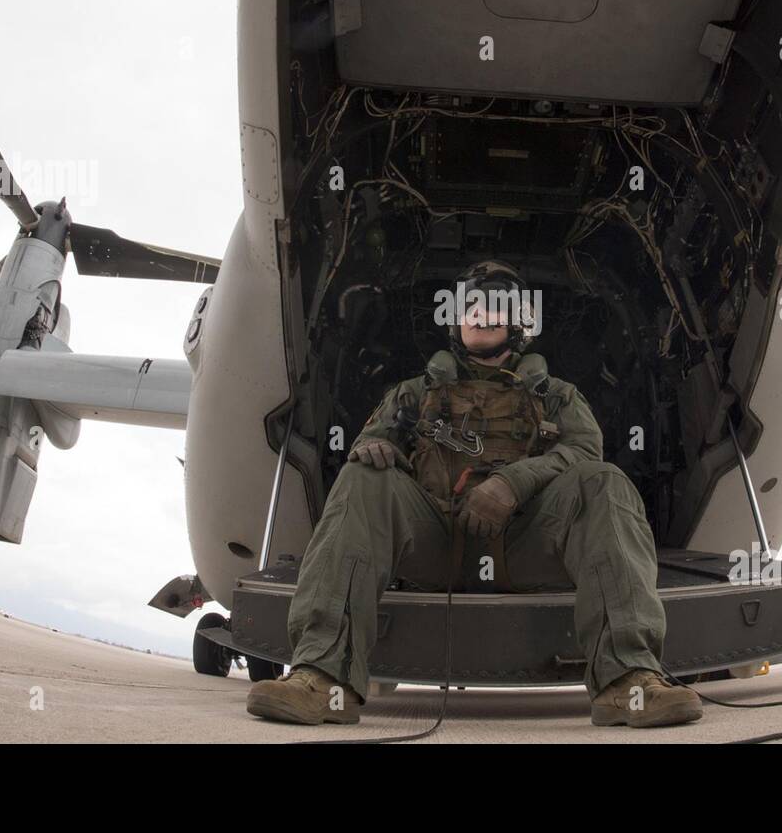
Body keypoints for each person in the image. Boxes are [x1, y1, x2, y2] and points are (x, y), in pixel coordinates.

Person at [246, 260, 701, 728]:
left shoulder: (559, 397)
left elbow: (585, 452)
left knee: (605, 482)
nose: (480, 314)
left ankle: (629, 680)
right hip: (436, 543)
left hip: (523, 543)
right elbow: (367, 444)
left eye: (494, 306)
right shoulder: (412, 393)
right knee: (362, 477)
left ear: (519, 321)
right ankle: (322, 677)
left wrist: (513, 483)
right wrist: (378, 449)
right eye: (469, 306)